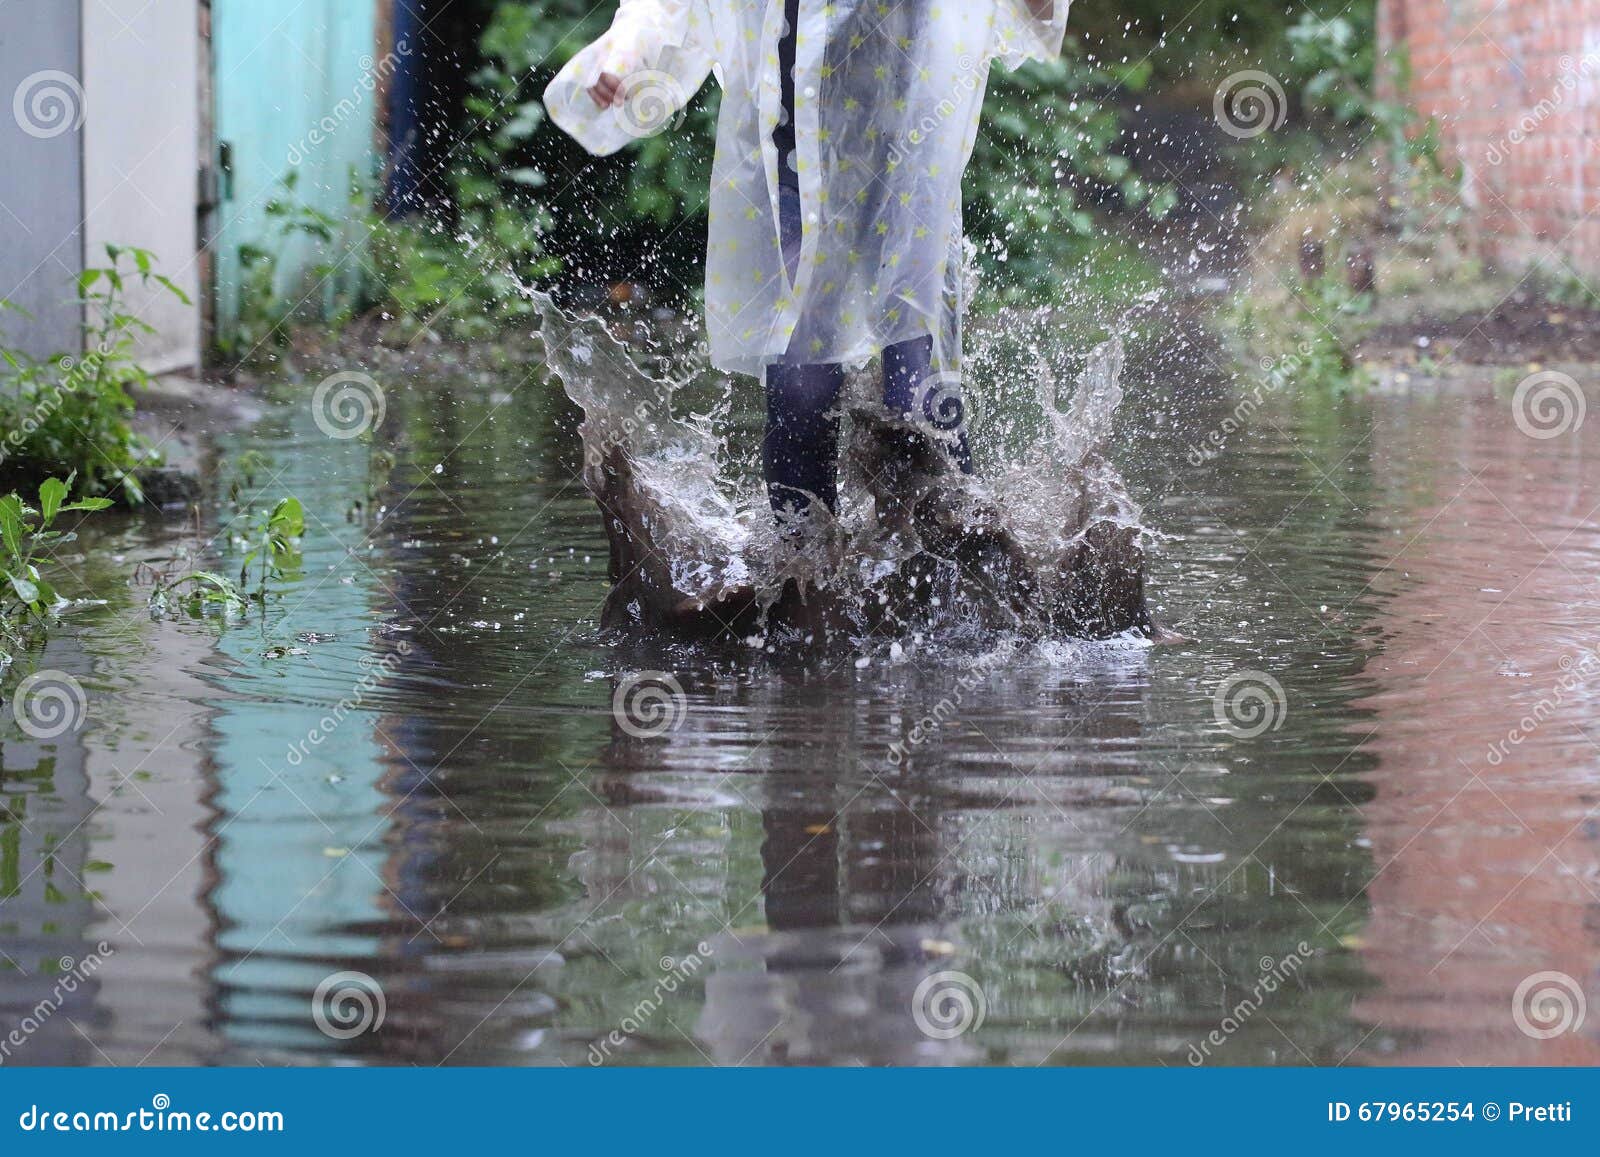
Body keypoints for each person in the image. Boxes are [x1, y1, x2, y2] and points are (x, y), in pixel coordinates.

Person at [546, 1, 1068, 521]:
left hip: (908, 166)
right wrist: (628, 49)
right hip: (799, 168)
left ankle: (957, 577)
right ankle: (802, 584)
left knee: (917, 402)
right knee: (800, 389)